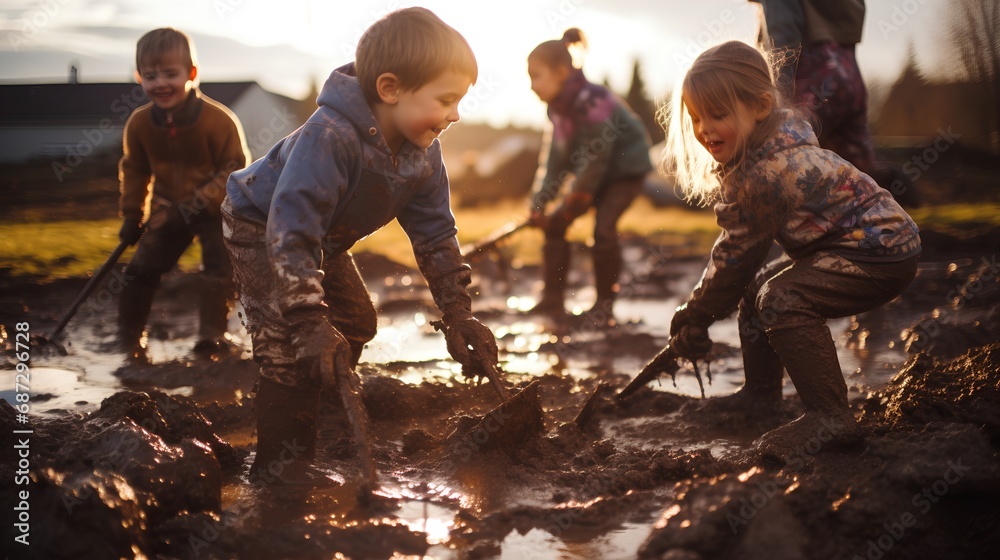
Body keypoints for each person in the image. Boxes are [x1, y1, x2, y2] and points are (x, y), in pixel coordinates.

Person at [222, 8, 499, 485]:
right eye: (446, 99)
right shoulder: (330, 136)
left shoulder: (423, 154)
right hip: (261, 225)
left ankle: (327, 412)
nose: (456, 114)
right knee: (290, 348)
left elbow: (435, 233)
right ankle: (278, 473)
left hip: (320, 237)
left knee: (354, 322)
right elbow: (292, 231)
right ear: (391, 89)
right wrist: (307, 320)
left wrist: (458, 313)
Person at [657, 40, 921, 455]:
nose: (704, 128)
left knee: (780, 297)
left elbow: (736, 255)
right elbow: (743, 264)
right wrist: (703, 310)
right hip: (856, 245)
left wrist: (697, 313)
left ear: (761, 108)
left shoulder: (766, 171)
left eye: (718, 114)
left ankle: (831, 416)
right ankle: (761, 394)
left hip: (879, 253)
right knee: (757, 287)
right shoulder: (771, 146)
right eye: (695, 117)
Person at [117, 27, 250, 364]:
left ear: (191, 74)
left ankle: (210, 338)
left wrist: (189, 206)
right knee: (139, 269)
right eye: (150, 76)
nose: (160, 83)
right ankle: (128, 340)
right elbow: (135, 169)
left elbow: (234, 169)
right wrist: (132, 216)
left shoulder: (218, 120)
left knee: (217, 271)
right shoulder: (140, 124)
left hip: (215, 210)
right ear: (139, 78)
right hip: (166, 210)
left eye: (170, 74)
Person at [526, 28, 653, 326]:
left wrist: (574, 200)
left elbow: (596, 158)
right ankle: (553, 299)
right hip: (597, 173)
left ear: (561, 72)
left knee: (604, 229)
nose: (532, 85)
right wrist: (539, 203)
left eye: (536, 76)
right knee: (555, 225)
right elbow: (555, 162)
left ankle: (604, 307)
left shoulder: (593, 100)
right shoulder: (556, 110)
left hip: (624, 172)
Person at [754, 0, 920, 206]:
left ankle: (763, 230)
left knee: (779, 156)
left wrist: (780, 99)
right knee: (859, 168)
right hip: (849, 74)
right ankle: (889, 186)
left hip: (813, 78)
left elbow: (783, 39)